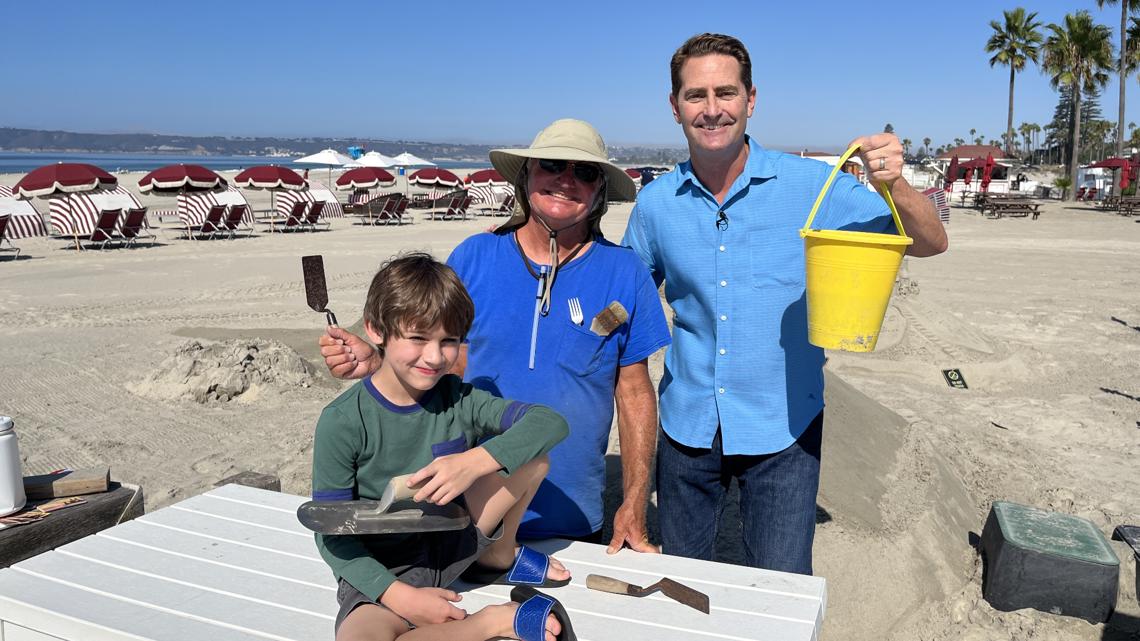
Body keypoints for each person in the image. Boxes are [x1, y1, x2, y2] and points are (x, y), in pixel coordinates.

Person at [622, 33, 948, 575]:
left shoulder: (813, 187)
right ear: (674, 106)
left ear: (751, 100)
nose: (711, 109)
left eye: (725, 93)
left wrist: (898, 185)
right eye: (695, 95)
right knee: (680, 579)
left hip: (785, 427)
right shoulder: (656, 205)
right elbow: (625, 297)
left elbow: (931, 242)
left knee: (781, 585)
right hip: (687, 424)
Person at [320, 120, 671, 552]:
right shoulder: (474, 256)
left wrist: (634, 501)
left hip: (574, 519)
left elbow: (635, 393)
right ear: (526, 176)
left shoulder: (627, 272)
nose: (567, 179)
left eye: (585, 171)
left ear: (599, 189)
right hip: (465, 511)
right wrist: (378, 362)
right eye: (553, 164)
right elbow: (448, 360)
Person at [312, 252, 571, 641]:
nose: (434, 358)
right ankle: (489, 623)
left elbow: (550, 423)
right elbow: (329, 532)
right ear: (376, 330)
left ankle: (497, 557)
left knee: (533, 457)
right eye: (417, 338)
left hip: (453, 545)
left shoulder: (458, 399)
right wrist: (398, 595)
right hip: (379, 569)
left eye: (449, 341)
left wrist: (473, 462)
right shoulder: (343, 421)